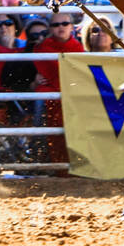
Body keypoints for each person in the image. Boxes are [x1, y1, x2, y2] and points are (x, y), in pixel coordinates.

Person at [30, 11, 85, 169]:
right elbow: (52, 73)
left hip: (72, 90)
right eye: (56, 24)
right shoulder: (42, 48)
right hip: (53, 91)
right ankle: (39, 155)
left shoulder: (78, 47)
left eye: (65, 24)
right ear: (50, 28)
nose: (61, 27)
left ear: (72, 27)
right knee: (43, 100)